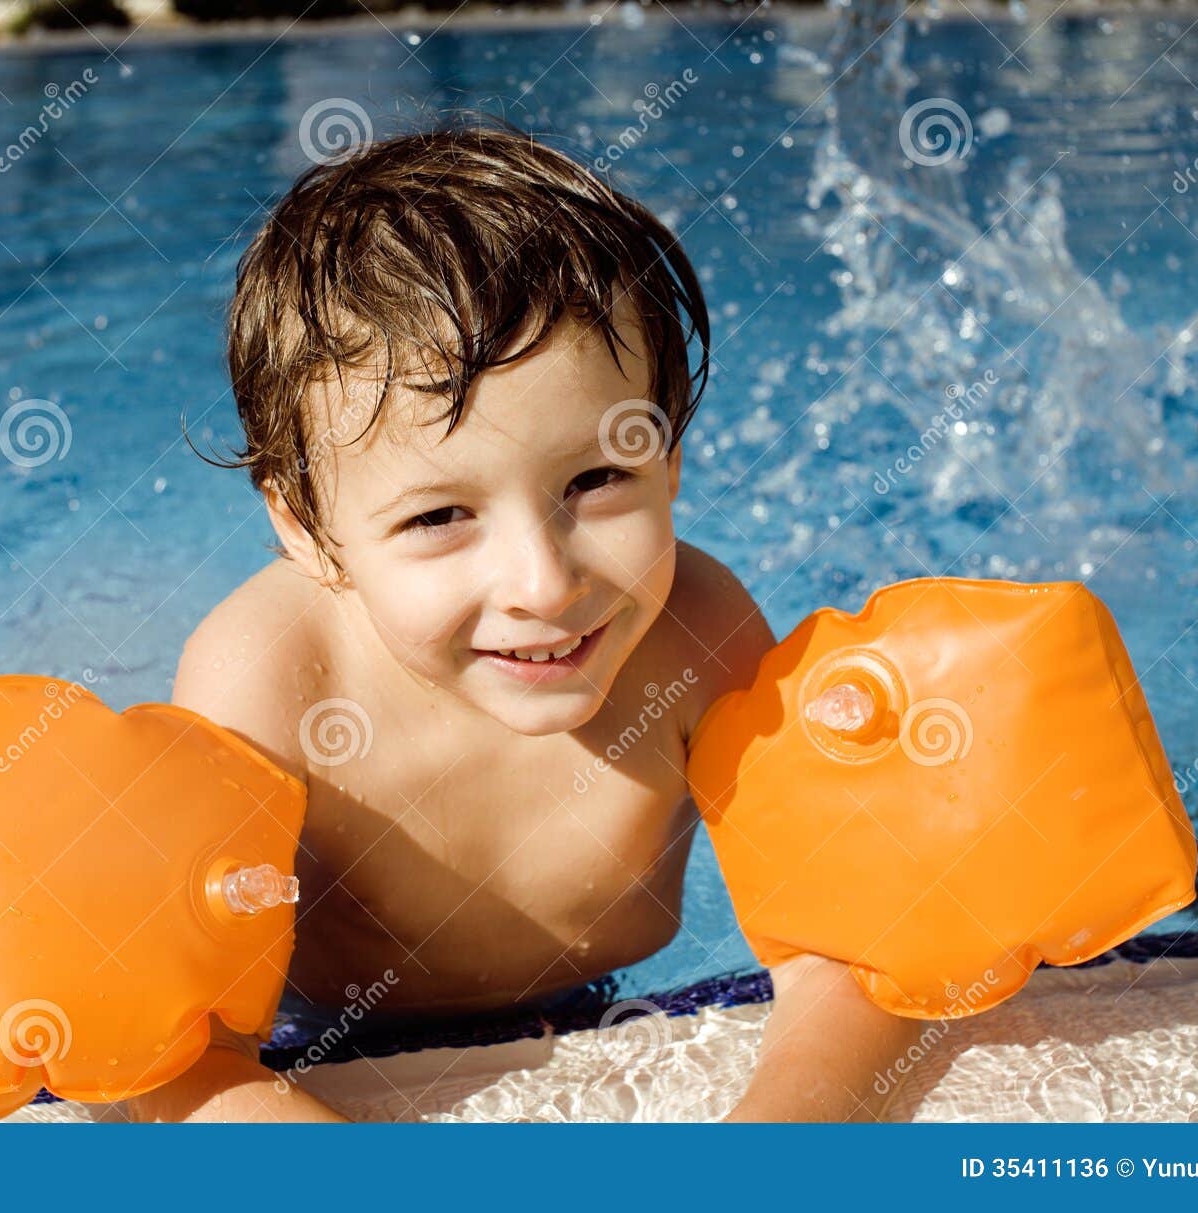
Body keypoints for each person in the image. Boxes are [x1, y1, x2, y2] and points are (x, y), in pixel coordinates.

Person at [129, 116, 921, 1123]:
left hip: (600, 1011)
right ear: (309, 528)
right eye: (439, 515)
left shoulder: (699, 635)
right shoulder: (272, 680)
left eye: (596, 479)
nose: (544, 584)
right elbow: (181, 1050)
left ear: (668, 455)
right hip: (331, 1037)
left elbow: (841, 940)